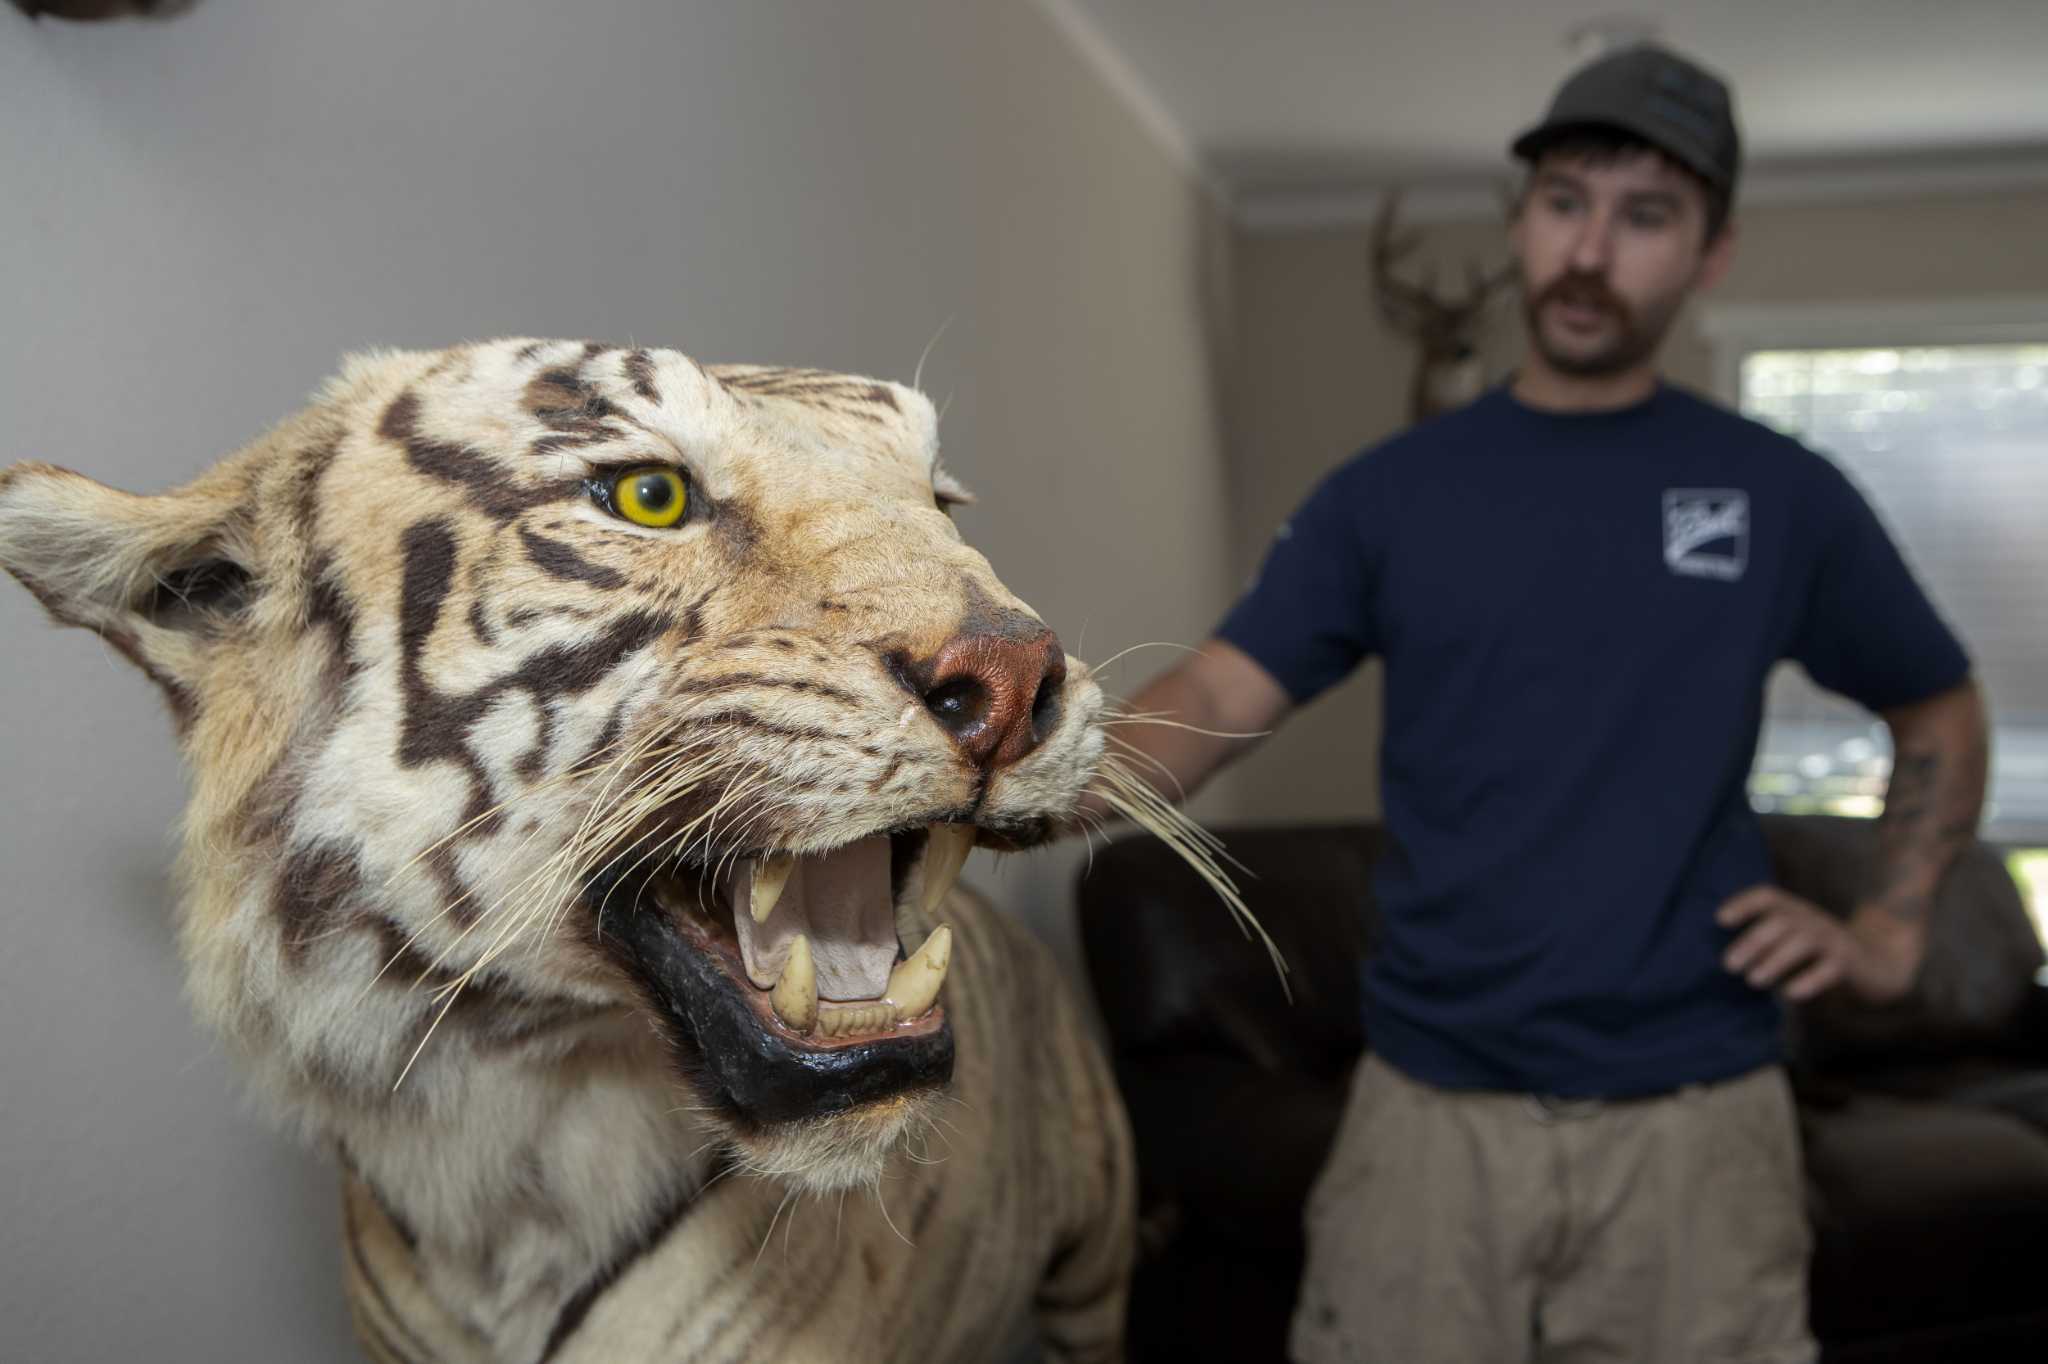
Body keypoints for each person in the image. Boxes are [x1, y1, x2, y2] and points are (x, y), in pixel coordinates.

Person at [1081, 43, 1989, 1364]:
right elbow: (1221, 686)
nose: (1590, 249)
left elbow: (1942, 707)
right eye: (1566, 200)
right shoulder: (1389, 494)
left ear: (1710, 255)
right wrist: (1033, 786)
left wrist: (1892, 933)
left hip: (1701, 1134)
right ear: (1520, 218)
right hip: (1429, 1129)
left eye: (1647, 217)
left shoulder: (1779, 494)